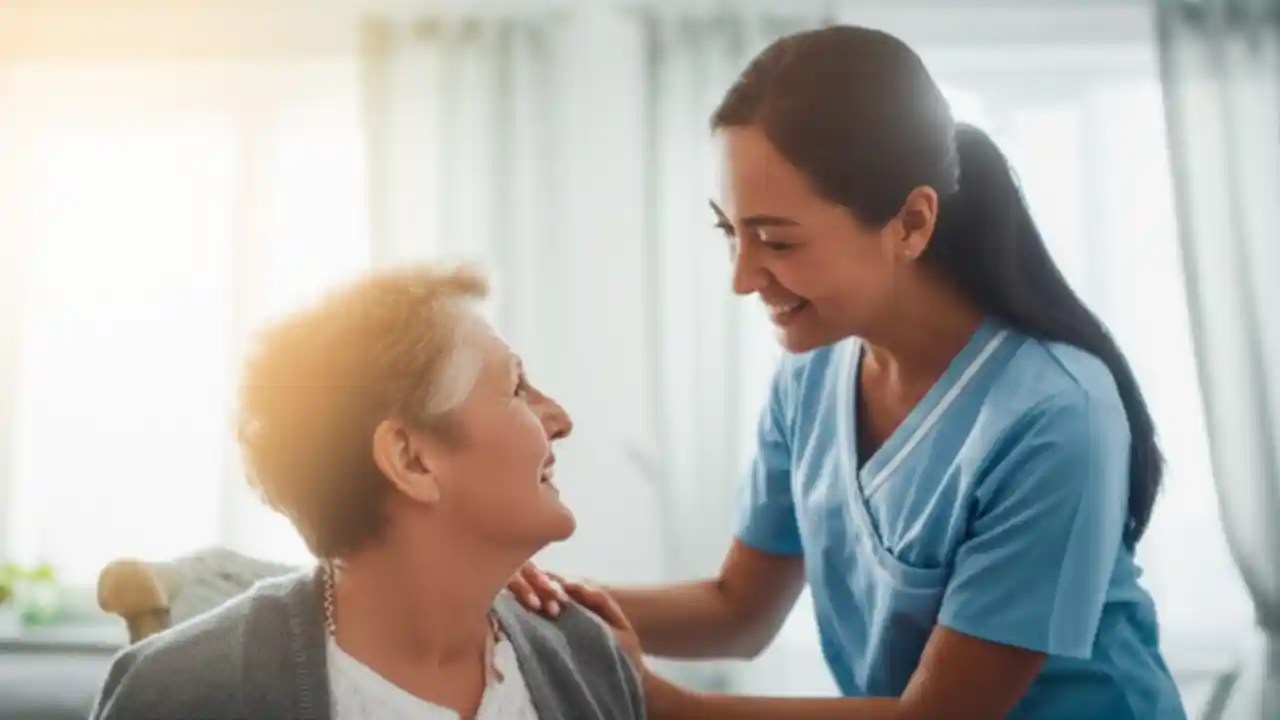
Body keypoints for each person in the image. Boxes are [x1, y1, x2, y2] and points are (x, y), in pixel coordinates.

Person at [513, 25, 1186, 719]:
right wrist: (536, 604)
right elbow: (739, 610)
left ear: (910, 222)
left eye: (776, 240)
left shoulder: (1056, 416)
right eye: (729, 232)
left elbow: (940, 716)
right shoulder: (811, 378)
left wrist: (655, 702)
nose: (743, 278)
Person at [92, 266, 644, 720]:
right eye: (516, 388)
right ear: (410, 459)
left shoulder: (589, 659)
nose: (561, 419)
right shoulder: (175, 696)